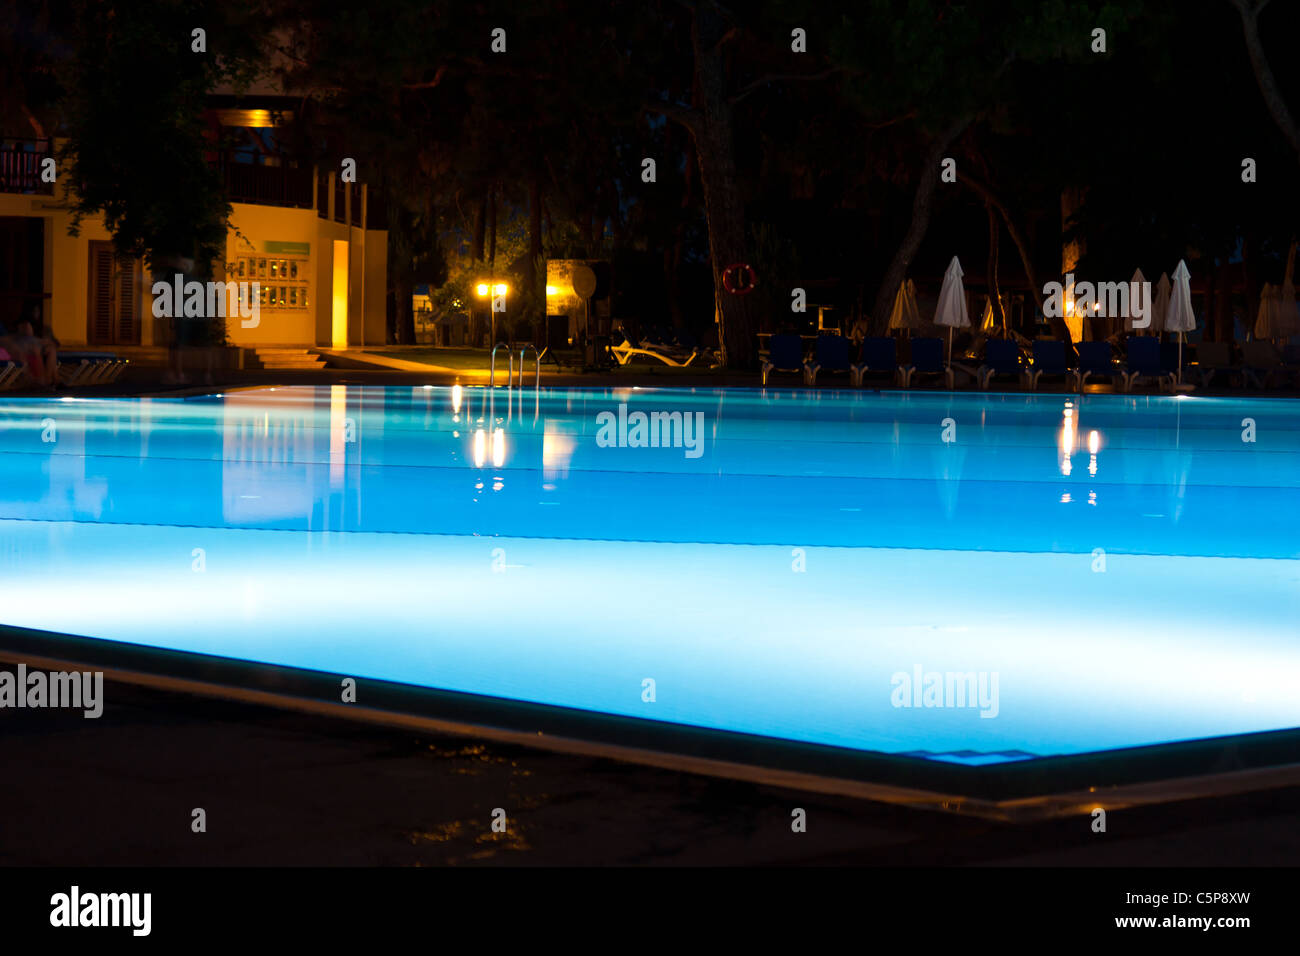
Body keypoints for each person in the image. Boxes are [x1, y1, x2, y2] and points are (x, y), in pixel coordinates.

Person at [1, 320, 58, 387]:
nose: (28, 328)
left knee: (50, 350)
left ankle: (52, 380)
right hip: (25, 351)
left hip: (29, 349)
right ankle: (44, 381)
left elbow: (54, 344)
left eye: (29, 326)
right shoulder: (11, 339)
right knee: (36, 351)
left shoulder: (30, 339)